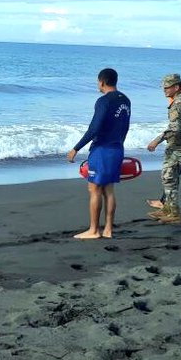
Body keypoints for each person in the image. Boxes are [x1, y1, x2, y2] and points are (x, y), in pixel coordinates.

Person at [67, 67, 132, 239]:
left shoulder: (103, 101)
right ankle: (108, 230)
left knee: (94, 189)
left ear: (102, 82)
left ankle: (94, 230)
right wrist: (119, 144)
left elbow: (94, 128)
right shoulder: (126, 100)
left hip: (102, 149)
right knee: (109, 189)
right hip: (117, 148)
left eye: (98, 82)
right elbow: (125, 127)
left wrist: (76, 148)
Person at [146, 73, 181, 224]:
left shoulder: (178, 104)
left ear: (176, 87)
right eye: (163, 87)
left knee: (169, 177)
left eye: (167, 87)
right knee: (170, 177)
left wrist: (156, 141)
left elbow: (175, 128)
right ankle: (168, 209)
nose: (164, 90)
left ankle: (173, 213)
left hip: (180, 147)